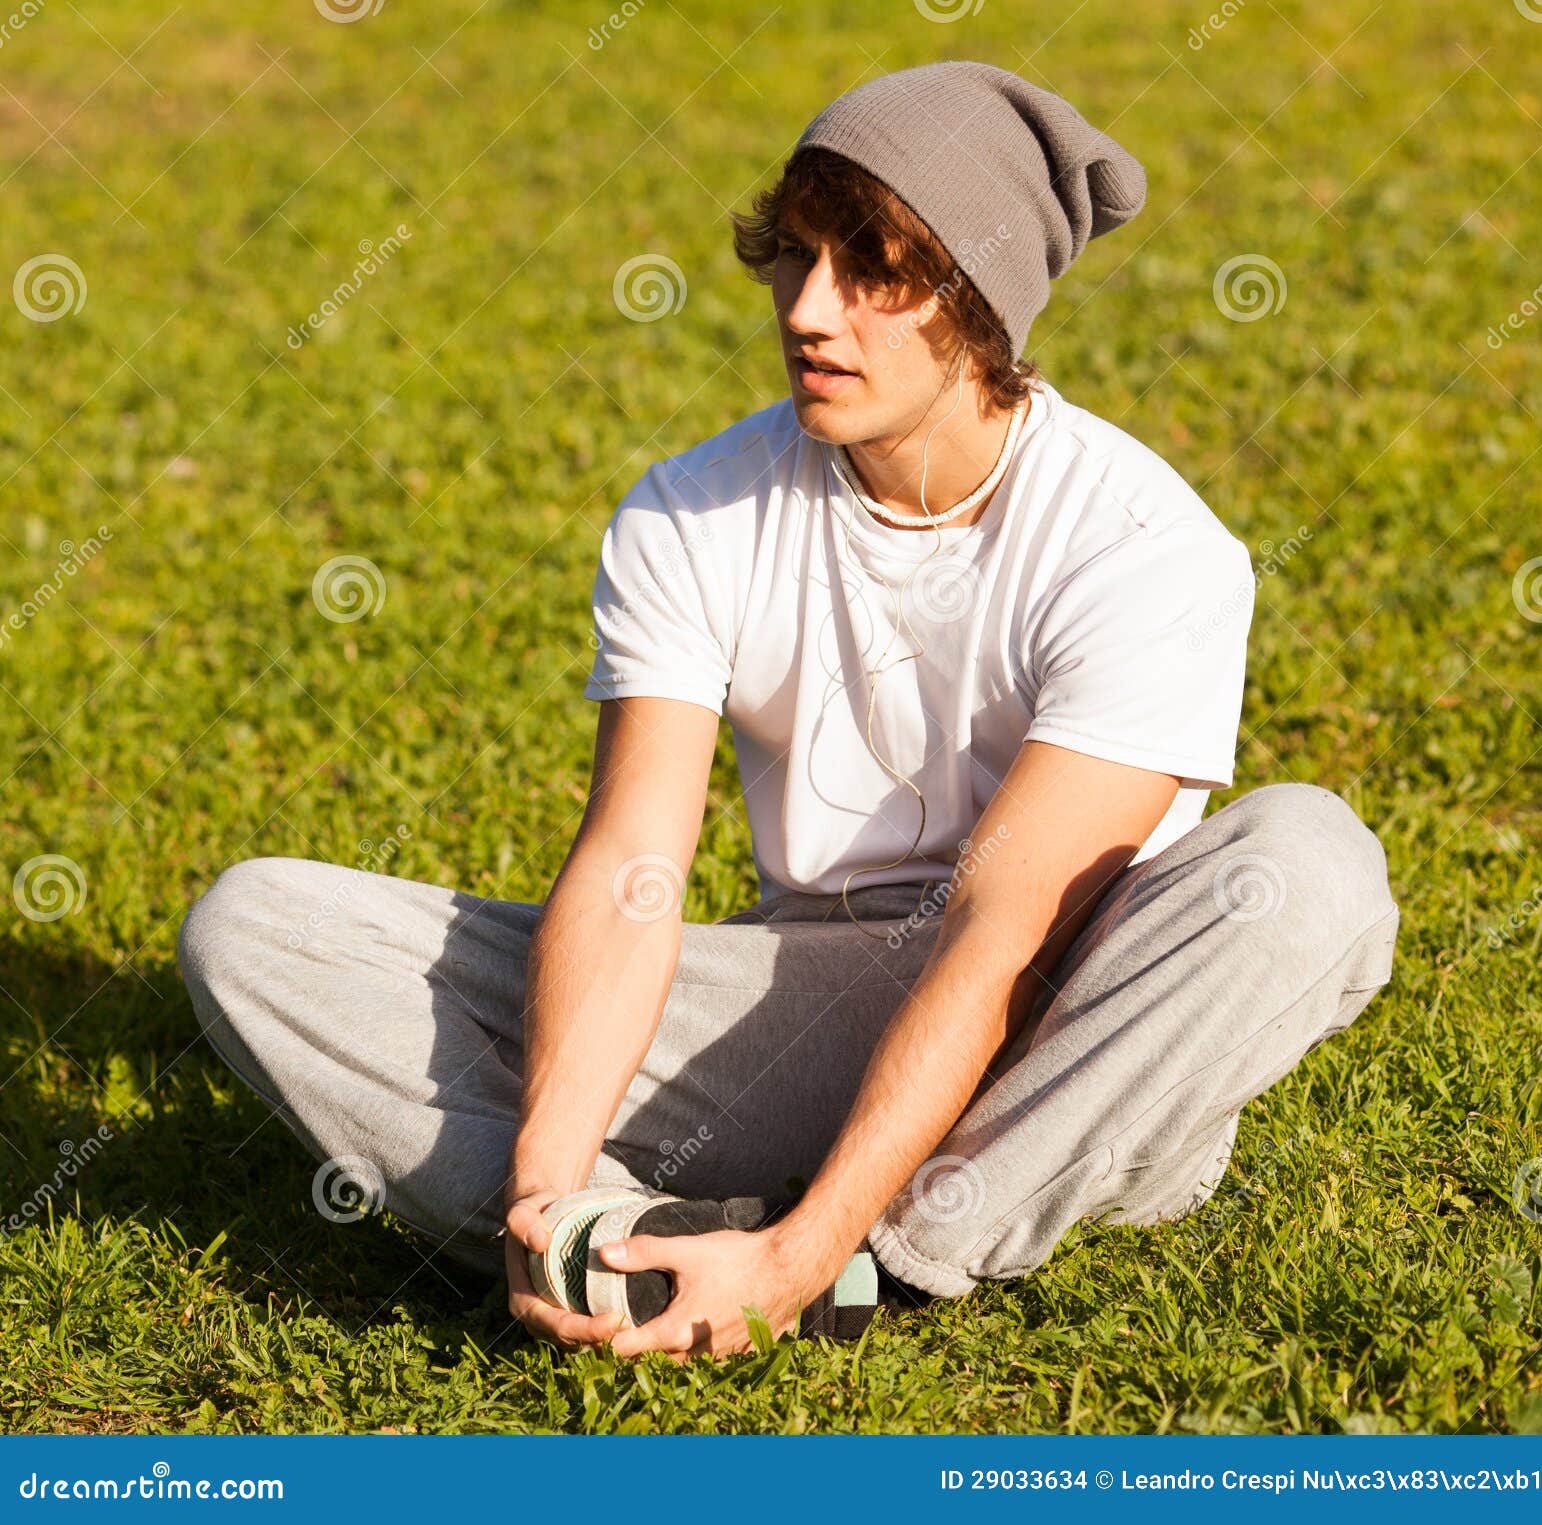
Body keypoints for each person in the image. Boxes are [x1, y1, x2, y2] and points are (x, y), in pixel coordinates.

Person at [177, 60, 1400, 1362]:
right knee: (259, 927)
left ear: (981, 305)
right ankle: (619, 1245)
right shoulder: (692, 510)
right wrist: (542, 1183)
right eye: (798, 257)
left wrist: (824, 1244)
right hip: (804, 1003)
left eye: (876, 272)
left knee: (1308, 867)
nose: (813, 311)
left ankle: (870, 1267)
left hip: (1061, 1023)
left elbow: (1006, 935)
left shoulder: (1146, 544)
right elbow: (632, 872)